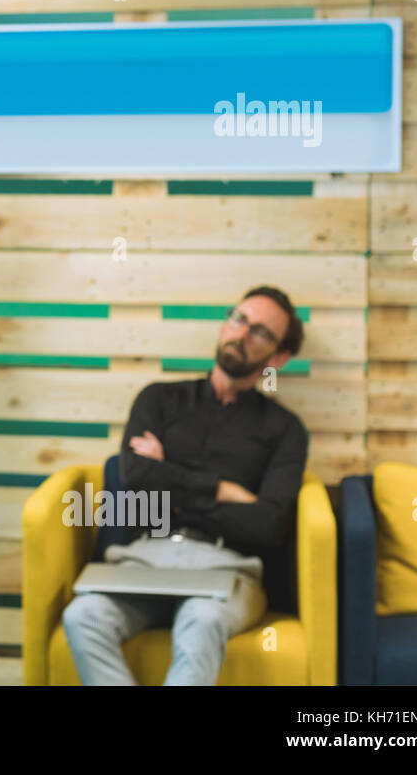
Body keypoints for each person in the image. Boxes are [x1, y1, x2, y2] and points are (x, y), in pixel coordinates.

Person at [60, 285, 308, 685]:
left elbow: (267, 524)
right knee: (81, 616)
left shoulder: (285, 430)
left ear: (278, 357)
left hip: (229, 568)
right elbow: (136, 478)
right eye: (239, 319)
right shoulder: (158, 400)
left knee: (203, 618)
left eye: (261, 332)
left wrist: (169, 488)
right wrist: (225, 491)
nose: (241, 334)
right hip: (146, 559)